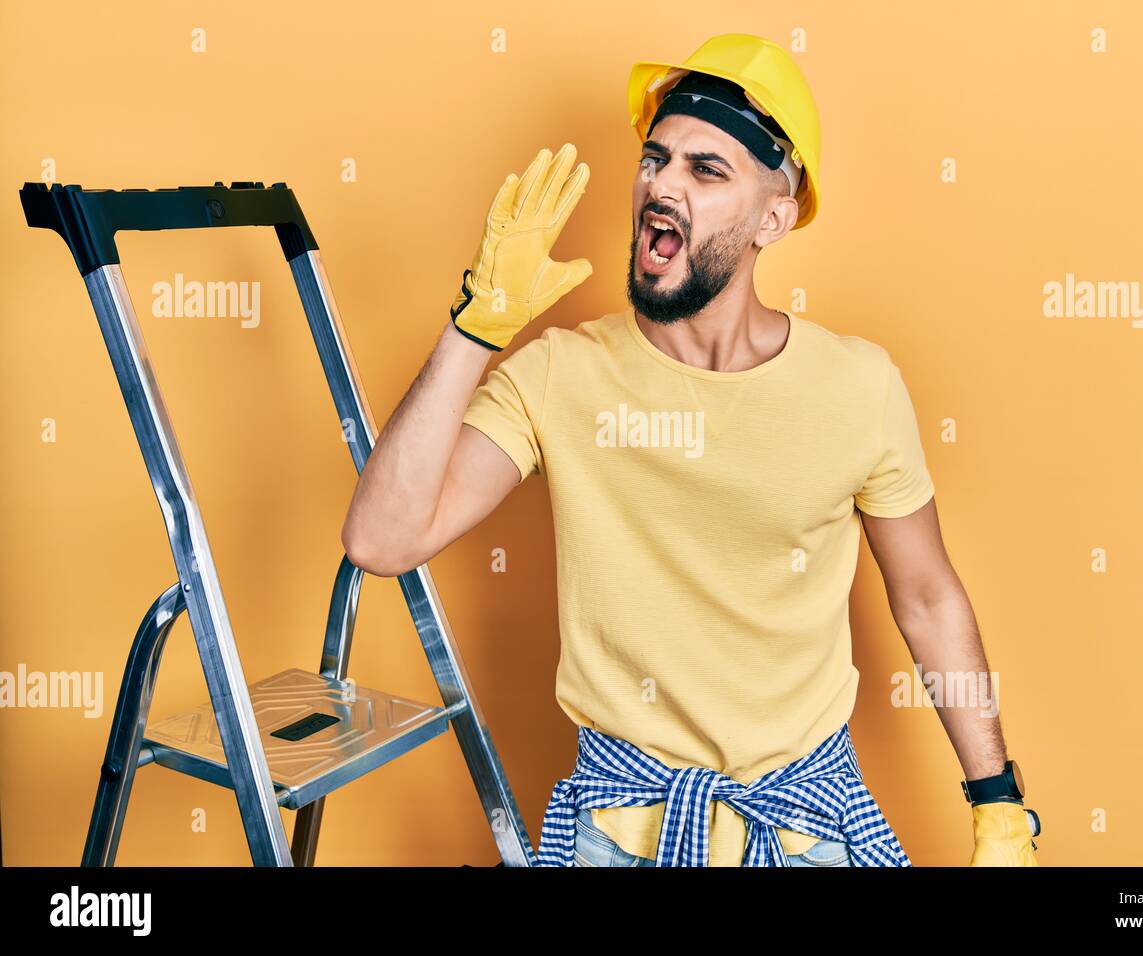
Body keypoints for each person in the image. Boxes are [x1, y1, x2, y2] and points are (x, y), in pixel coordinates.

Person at [341, 33, 1040, 867]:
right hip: (619, 828)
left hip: (805, 822)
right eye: (655, 158)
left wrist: (998, 802)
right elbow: (381, 540)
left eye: (707, 171)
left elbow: (927, 597)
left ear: (771, 220)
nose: (661, 186)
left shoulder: (860, 387)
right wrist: (475, 324)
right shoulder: (562, 373)